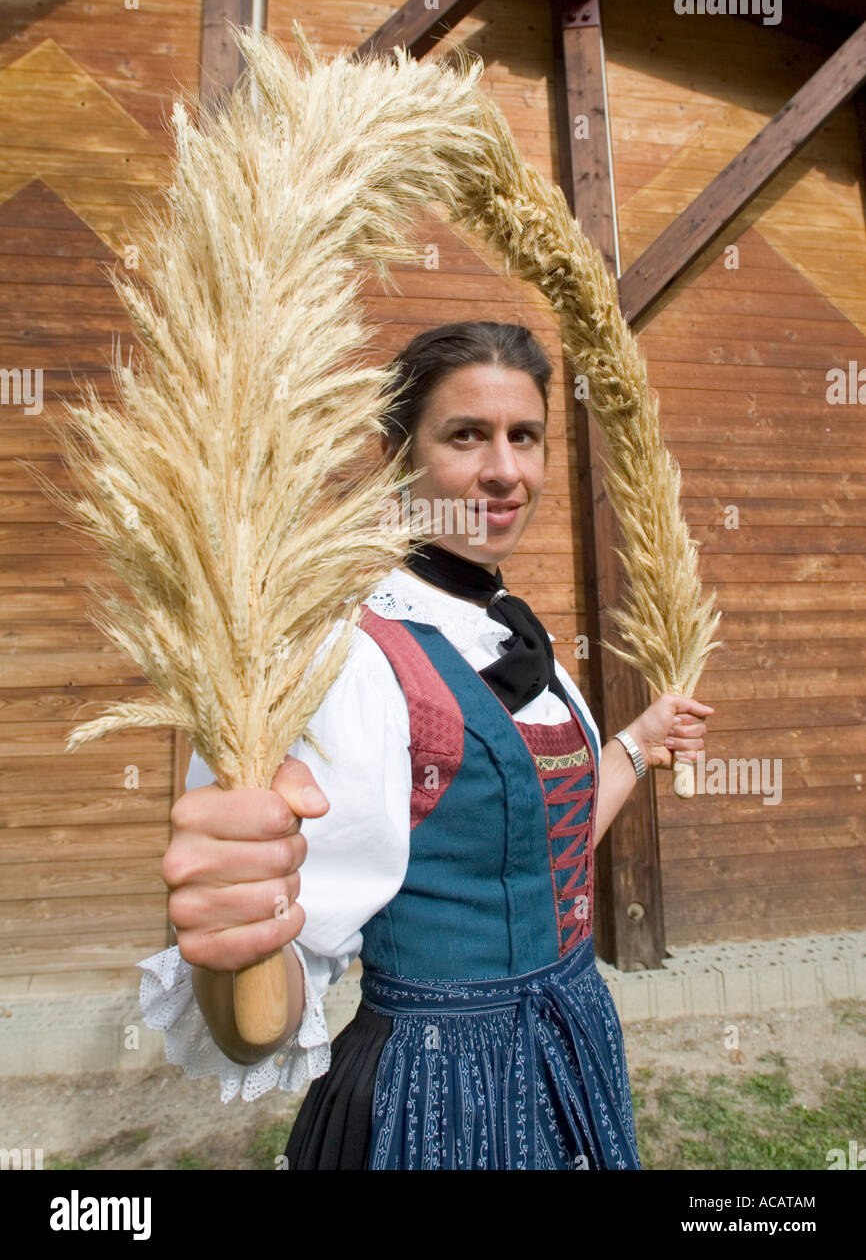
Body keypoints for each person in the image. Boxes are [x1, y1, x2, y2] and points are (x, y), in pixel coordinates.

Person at [139, 320, 713, 1170]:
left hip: (572, 1051)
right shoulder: (352, 656)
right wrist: (238, 944)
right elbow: (263, 1014)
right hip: (442, 1100)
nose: (505, 470)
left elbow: (534, 851)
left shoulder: (503, 624)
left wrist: (634, 743)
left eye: (525, 437)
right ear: (397, 450)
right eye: (466, 436)